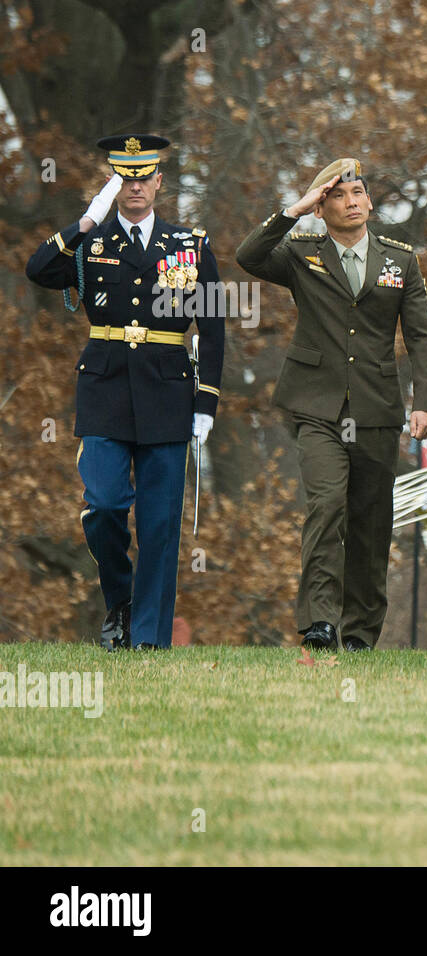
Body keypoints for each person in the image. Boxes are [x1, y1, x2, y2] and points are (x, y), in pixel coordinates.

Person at [26, 134, 224, 650]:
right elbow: (37, 269)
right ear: (115, 184)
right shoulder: (92, 244)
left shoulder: (189, 245)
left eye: (144, 177)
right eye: (125, 178)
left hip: (167, 391)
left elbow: (214, 327)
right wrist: (85, 221)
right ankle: (121, 599)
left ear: (159, 181)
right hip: (106, 389)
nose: (136, 187)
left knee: (160, 525)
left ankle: (148, 640)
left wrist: (207, 402)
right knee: (106, 506)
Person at [235, 158, 427, 651]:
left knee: (371, 520)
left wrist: (425, 403)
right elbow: (249, 255)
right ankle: (320, 622)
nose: (351, 201)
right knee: (326, 504)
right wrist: (294, 210)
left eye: (358, 193)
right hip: (316, 406)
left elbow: (421, 336)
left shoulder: (400, 260)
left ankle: (361, 634)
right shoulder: (302, 253)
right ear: (322, 208)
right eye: (338, 196)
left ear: (369, 202)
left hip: (377, 407)